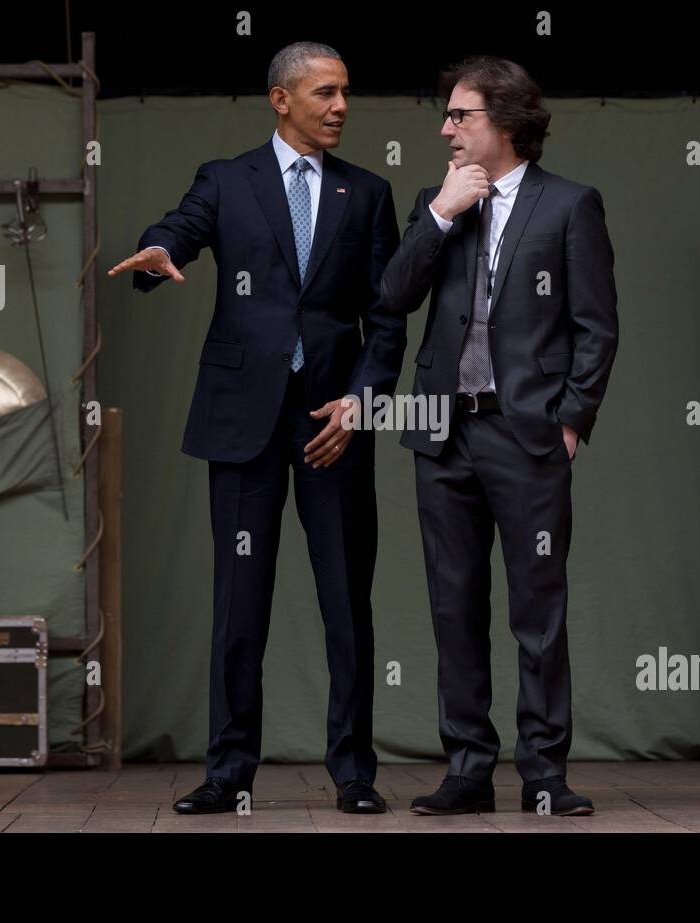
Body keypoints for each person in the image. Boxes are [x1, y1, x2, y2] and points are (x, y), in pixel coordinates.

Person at [108, 41, 404, 815]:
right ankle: (228, 771)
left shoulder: (367, 193)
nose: (340, 106)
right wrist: (160, 252)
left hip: (332, 426)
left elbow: (389, 318)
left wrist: (363, 399)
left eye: (346, 92)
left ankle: (354, 773)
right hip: (243, 426)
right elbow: (179, 227)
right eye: (325, 93)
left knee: (347, 603)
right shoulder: (225, 180)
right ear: (280, 99)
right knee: (239, 603)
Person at [380, 56, 618, 816]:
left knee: (537, 609)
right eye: (446, 115)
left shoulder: (570, 205)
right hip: (442, 437)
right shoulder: (435, 199)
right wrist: (443, 212)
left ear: (506, 123)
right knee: (454, 607)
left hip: (528, 439)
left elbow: (596, 327)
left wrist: (571, 418)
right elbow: (392, 293)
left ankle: (544, 772)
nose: (446, 128)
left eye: (461, 115)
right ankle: (469, 769)